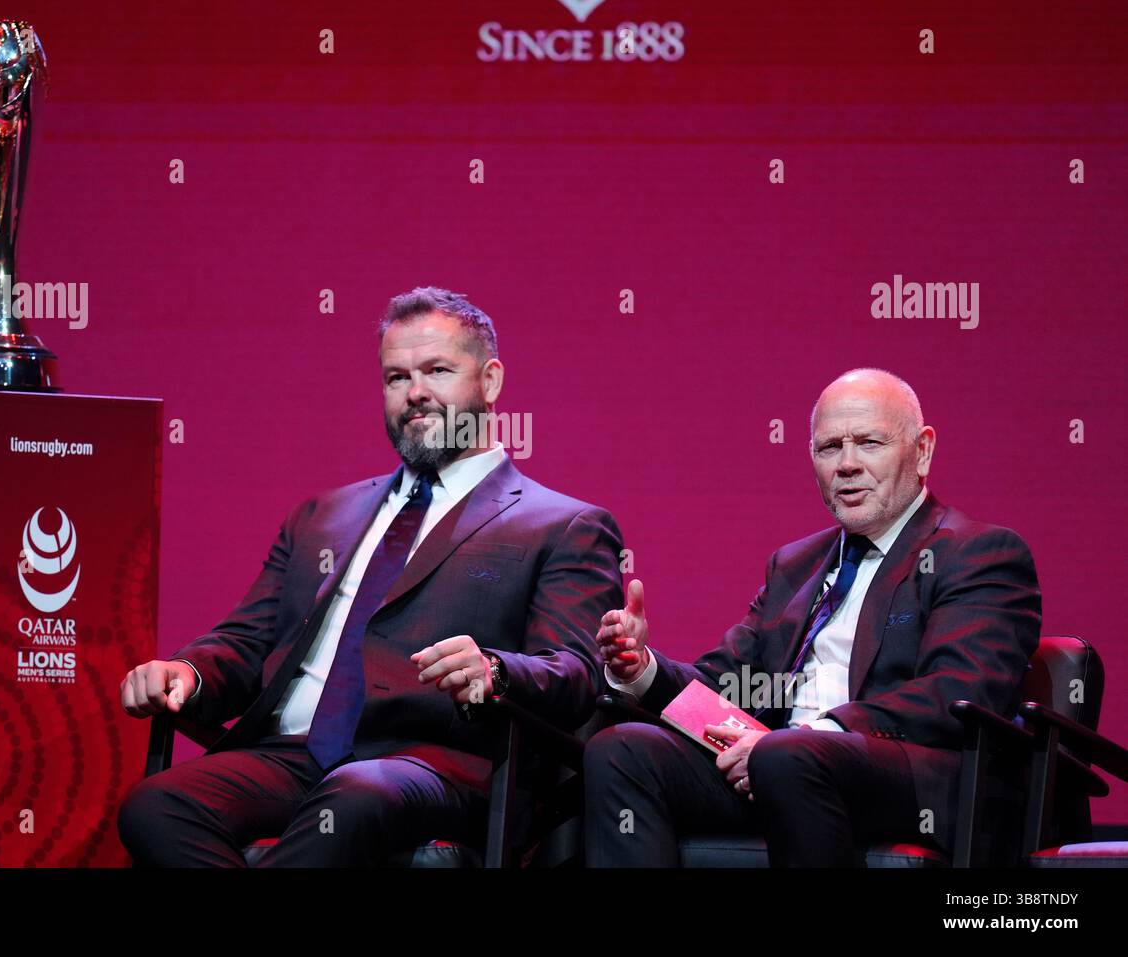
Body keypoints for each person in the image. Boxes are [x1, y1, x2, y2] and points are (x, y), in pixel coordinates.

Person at [118, 286, 623, 866]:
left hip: (430, 763)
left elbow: (576, 673)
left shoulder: (563, 524)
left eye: (437, 371)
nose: (415, 394)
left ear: (489, 382)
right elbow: (249, 641)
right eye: (395, 377)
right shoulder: (323, 515)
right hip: (296, 756)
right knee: (156, 806)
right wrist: (186, 671)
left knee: (356, 796)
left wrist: (494, 669)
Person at [585, 368, 1041, 866]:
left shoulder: (976, 551)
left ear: (923, 450)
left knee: (786, 757)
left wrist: (809, 736)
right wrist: (640, 666)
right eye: (829, 448)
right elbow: (729, 688)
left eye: (869, 443)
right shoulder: (794, 565)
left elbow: (958, 692)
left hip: (914, 781)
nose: (847, 465)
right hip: (780, 771)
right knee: (622, 750)